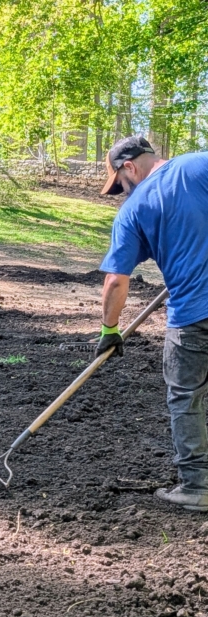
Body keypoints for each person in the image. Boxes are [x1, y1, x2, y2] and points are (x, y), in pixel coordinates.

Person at [97, 135, 208, 511]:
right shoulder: (200, 164)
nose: (121, 192)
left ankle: (196, 486)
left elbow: (115, 279)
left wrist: (109, 330)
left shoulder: (134, 208)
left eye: (119, 183)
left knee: (186, 395)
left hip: (195, 314)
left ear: (129, 167)